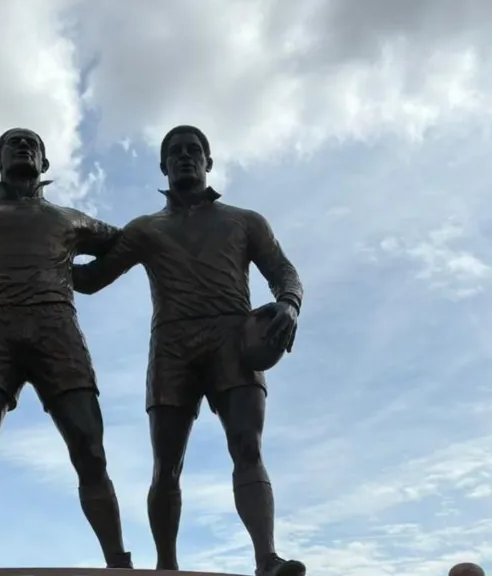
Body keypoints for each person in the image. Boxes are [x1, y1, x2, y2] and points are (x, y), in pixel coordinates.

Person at [72, 125, 305, 576]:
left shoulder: (245, 220)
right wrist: (44, 250)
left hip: (233, 340)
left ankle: (266, 559)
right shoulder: (144, 229)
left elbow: (283, 272)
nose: (184, 156)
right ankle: (167, 566)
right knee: (166, 464)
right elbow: (91, 280)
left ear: (208, 162)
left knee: (248, 448)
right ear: (163, 166)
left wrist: (289, 305)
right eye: (175, 152)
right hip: (172, 346)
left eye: (193, 150)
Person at [0, 128, 132, 570]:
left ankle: (118, 561)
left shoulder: (70, 220)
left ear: (45, 163)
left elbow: (130, 243)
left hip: (58, 333)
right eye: (11, 144)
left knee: (90, 448)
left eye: (31, 143)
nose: (22, 147)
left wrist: (88, 280)